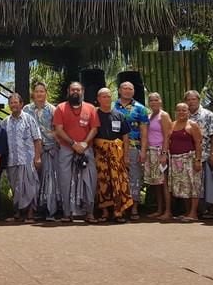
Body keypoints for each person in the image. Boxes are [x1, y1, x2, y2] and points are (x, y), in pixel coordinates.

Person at [53, 82, 99, 223]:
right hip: (66, 148)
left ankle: (89, 213)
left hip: (86, 148)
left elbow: (94, 128)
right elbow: (59, 129)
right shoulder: (60, 108)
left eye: (78, 89)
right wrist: (73, 144)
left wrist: (84, 143)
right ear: (68, 91)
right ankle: (67, 213)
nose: (75, 92)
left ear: (82, 91)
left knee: (90, 179)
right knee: (65, 180)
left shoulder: (90, 108)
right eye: (73, 89)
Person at [94, 88, 133, 223]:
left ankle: (118, 211)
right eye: (104, 97)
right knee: (103, 182)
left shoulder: (119, 115)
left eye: (109, 97)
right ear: (99, 99)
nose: (107, 99)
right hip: (100, 155)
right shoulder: (94, 114)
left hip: (117, 154)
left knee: (118, 182)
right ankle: (104, 212)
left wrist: (126, 156)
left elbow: (126, 137)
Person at [23, 81, 59, 221]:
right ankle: (33, 210)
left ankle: (49, 210)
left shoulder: (52, 109)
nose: (39, 94)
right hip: (30, 151)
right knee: (32, 180)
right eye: (37, 91)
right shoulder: (26, 109)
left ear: (46, 93)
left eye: (42, 91)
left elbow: (57, 130)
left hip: (49, 149)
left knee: (49, 180)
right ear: (33, 93)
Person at [113, 81, 149, 221]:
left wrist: (144, 150)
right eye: (125, 88)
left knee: (134, 178)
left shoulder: (141, 109)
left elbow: (144, 131)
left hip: (135, 147)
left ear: (133, 92)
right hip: (115, 148)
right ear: (119, 91)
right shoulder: (112, 106)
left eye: (130, 88)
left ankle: (134, 208)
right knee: (117, 177)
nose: (127, 91)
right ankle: (119, 208)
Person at [4, 93, 42, 223]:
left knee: (30, 187)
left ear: (21, 104)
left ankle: (30, 214)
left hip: (27, 159)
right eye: (11, 103)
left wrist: (37, 158)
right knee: (16, 188)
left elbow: (37, 139)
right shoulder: (5, 122)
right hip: (12, 161)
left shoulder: (29, 119)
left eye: (16, 102)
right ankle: (17, 213)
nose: (14, 105)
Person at [185, 89, 213, 219]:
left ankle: (211, 210)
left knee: (208, 184)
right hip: (188, 155)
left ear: (199, 100)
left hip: (205, 154)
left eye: (194, 99)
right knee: (193, 185)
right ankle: (197, 211)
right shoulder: (184, 115)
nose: (191, 102)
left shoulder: (208, 115)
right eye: (189, 99)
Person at [167, 103, 203, 221]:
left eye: (184, 110)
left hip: (189, 159)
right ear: (175, 112)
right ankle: (187, 212)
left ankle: (194, 213)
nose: (181, 112)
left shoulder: (192, 125)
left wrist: (198, 160)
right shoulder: (172, 125)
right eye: (179, 110)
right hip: (176, 160)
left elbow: (198, 143)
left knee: (193, 185)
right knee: (184, 187)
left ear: (188, 112)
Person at [145, 93, 172, 219]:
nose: (154, 102)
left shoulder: (164, 115)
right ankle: (159, 209)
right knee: (156, 183)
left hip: (160, 150)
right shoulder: (149, 116)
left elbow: (167, 136)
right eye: (151, 100)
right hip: (151, 151)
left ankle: (168, 211)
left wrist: (164, 154)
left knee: (164, 182)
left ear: (160, 101)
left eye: (156, 100)